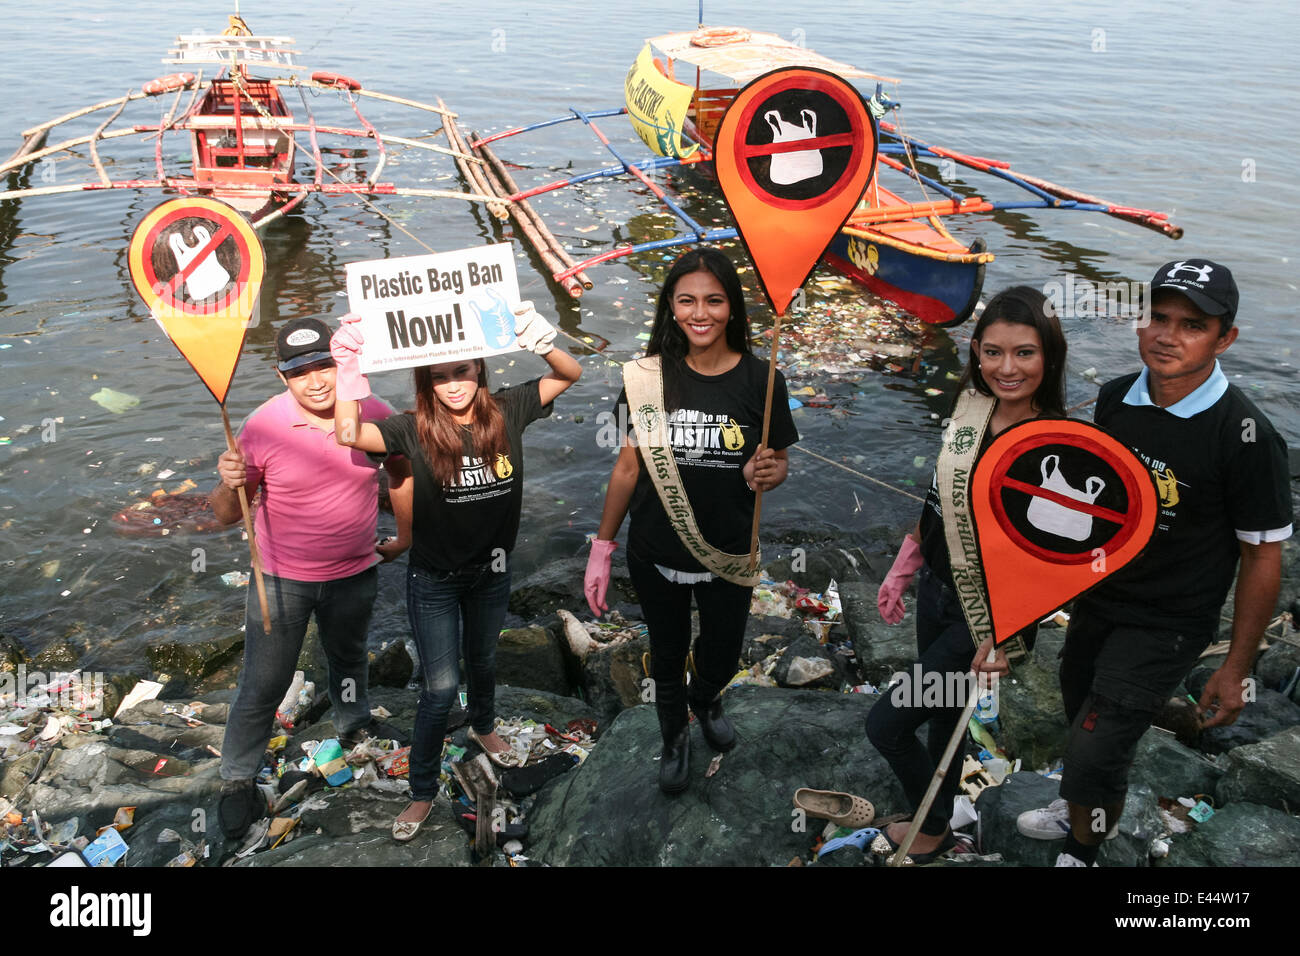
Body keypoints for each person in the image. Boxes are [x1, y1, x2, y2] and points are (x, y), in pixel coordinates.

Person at [1016, 259, 1292, 866]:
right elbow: (1099, 506)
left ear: (1226, 338)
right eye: (1157, 317)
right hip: (1099, 599)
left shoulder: (1245, 434)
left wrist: (1236, 666)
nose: (1167, 335)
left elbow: (1262, 554)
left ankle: (1081, 853)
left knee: (1096, 746)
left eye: (1192, 325)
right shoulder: (1116, 398)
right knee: (1078, 711)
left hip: (1170, 621)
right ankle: (1081, 803)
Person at [331, 302, 581, 841]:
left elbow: (570, 373)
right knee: (440, 690)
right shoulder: (410, 429)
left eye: (462, 371)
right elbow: (349, 434)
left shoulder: (508, 408)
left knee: (485, 658)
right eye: (440, 376)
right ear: (426, 382)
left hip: (492, 571)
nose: (453, 385)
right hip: (435, 580)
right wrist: (349, 368)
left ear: (480, 371)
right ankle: (421, 791)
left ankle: (486, 727)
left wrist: (537, 336)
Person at [584, 247, 798, 795]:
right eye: (686, 300)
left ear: (733, 307)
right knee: (668, 648)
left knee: (722, 652)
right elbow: (628, 465)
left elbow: (778, 461)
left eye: (714, 300)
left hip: (729, 549)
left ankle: (706, 698)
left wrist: (772, 471)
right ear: (670, 307)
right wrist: (601, 548)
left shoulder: (762, 379)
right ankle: (673, 735)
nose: (700, 313)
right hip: (656, 549)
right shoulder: (648, 380)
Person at [869, 286, 1067, 862]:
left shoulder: (1055, 443)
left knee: (886, 725)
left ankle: (931, 831)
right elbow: (937, 496)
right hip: (936, 588)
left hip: (986, 615)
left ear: (1048, 357)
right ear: (976, 351)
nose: (1008, 368)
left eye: (1025, 353)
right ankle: (949, 803)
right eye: (994, 352)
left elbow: (1055, 558)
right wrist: (905, 565)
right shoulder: (970, 409)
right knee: (946, 714)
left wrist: (1007, 633)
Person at [210, 316, 413, 841]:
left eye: (326, 364)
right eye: (301, 372)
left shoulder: (375, 414)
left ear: (344, 364)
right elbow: (225, 514)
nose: (317, 380)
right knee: (263, 683)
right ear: (283, 377)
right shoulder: (261, 427)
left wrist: (407, 536)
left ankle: (355, 723)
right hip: (281, 580)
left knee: (349, 658)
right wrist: (228, 481)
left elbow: (401, 472)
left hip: (355, 571)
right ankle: (235, 779)